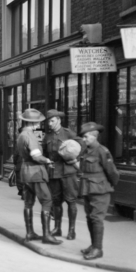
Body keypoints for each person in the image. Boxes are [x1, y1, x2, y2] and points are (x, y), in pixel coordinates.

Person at [75, 122, 120, 261]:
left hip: (100, 191)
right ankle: (93, 245)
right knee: (90, 218)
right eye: (83, 137)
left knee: (97, 219)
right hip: (88, 189)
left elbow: (112, 172)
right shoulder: (85, 150)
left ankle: (98, 249)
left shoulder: (102, 151)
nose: (84, 139)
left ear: (94, 136)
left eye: (86, 136)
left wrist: (108, 185)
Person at [16, 109, 60, 245]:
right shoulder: (30, 136)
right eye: (37, 122)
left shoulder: (21, 135)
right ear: (33, 123)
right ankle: (46, 235)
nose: (38, 125)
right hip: (36, 173)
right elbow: (36, 156)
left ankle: (30, 233)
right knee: (47, 201)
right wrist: (47, 160)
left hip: (25, 172)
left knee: (28, 203)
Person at [42, 109, 82, 240]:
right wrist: (47, 163)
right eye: (48, 122)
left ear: (58, 120)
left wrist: (74, 158)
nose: (50, 124)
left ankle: (72, 230)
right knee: (56, 202)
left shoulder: (68, 133)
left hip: (68, 172)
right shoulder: (47, 136)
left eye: (52, 121)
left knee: (71, 201)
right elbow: (44, 154)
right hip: (54, 173)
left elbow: (82, 145)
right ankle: (57, 228)